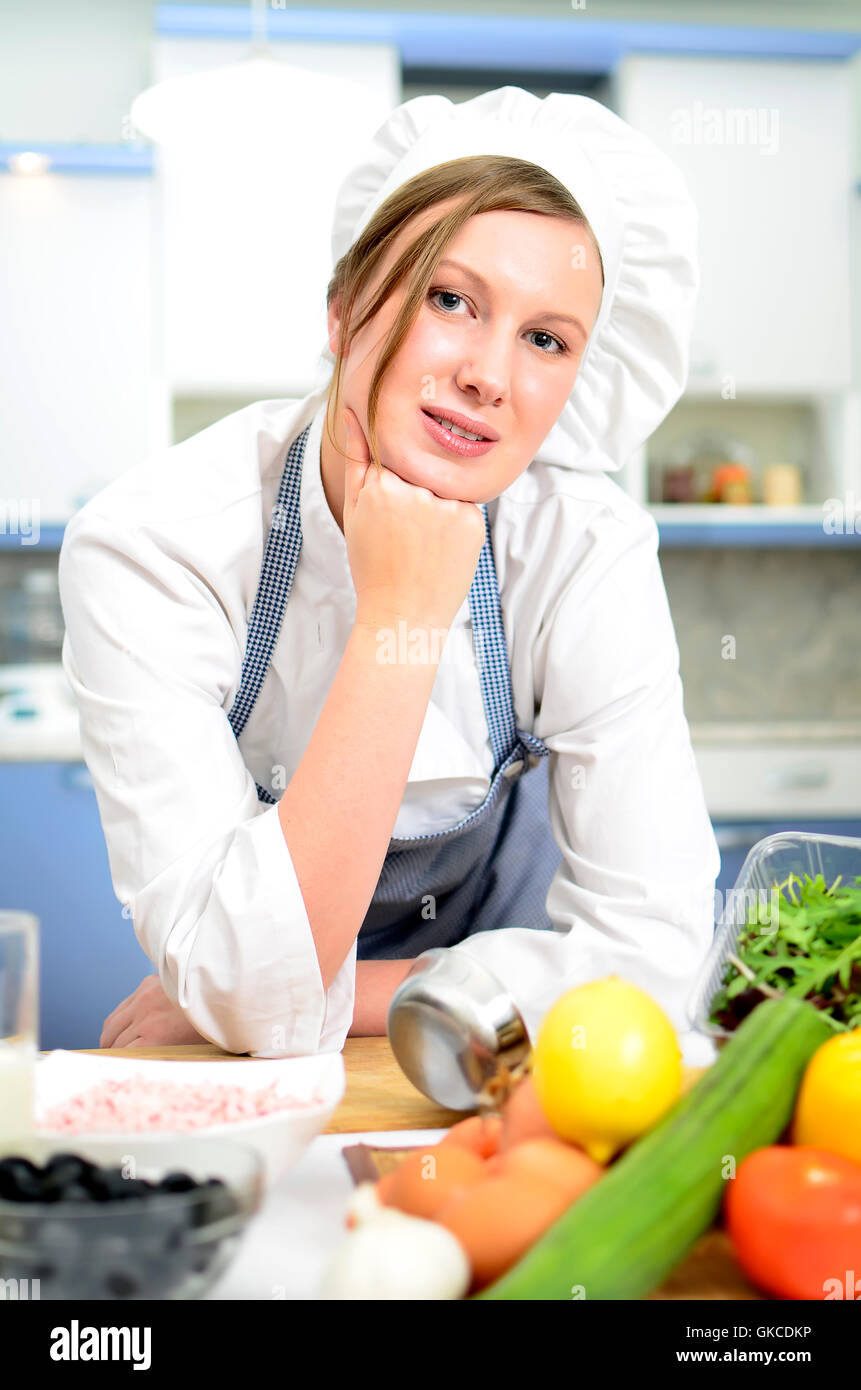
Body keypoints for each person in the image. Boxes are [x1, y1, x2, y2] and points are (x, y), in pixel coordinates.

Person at [59, 86, 720, 1064]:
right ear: (343, 309)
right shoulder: (157, 547)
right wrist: (400, 617)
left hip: (510, 1072)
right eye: (452, 300)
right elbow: (249, 1000)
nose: (489, 375)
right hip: (266, 1089)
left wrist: (364, 990)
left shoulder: (583, 550)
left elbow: (661, 957)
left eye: (546, 338)